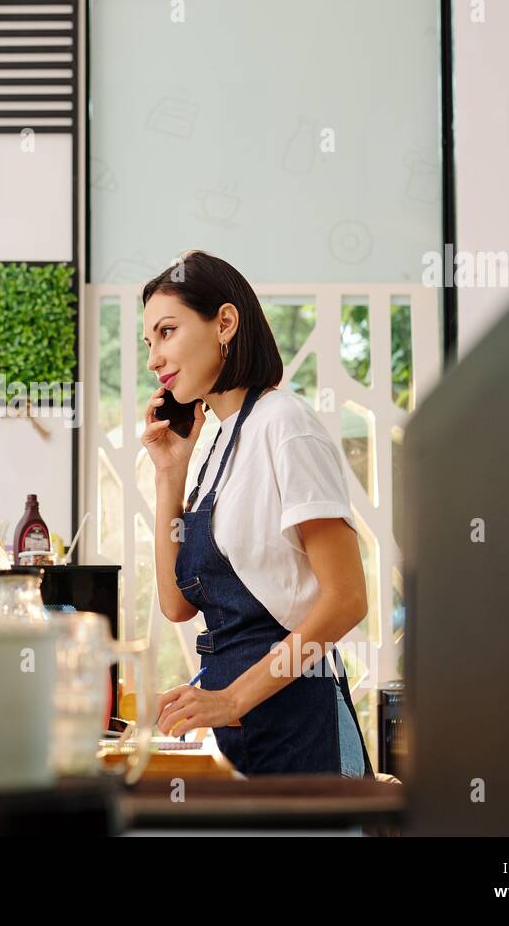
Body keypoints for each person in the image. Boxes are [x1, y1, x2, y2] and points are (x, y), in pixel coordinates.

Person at [141, 250, 374, 777]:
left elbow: (348, 599)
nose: (154, 358)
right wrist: (169, 475)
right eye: (149, 342)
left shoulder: (284, 424)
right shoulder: (221, 442)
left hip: (301, 729)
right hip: (242, 739)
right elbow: (176, 605)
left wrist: (230, 699)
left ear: (224, 322)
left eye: (167, 331)